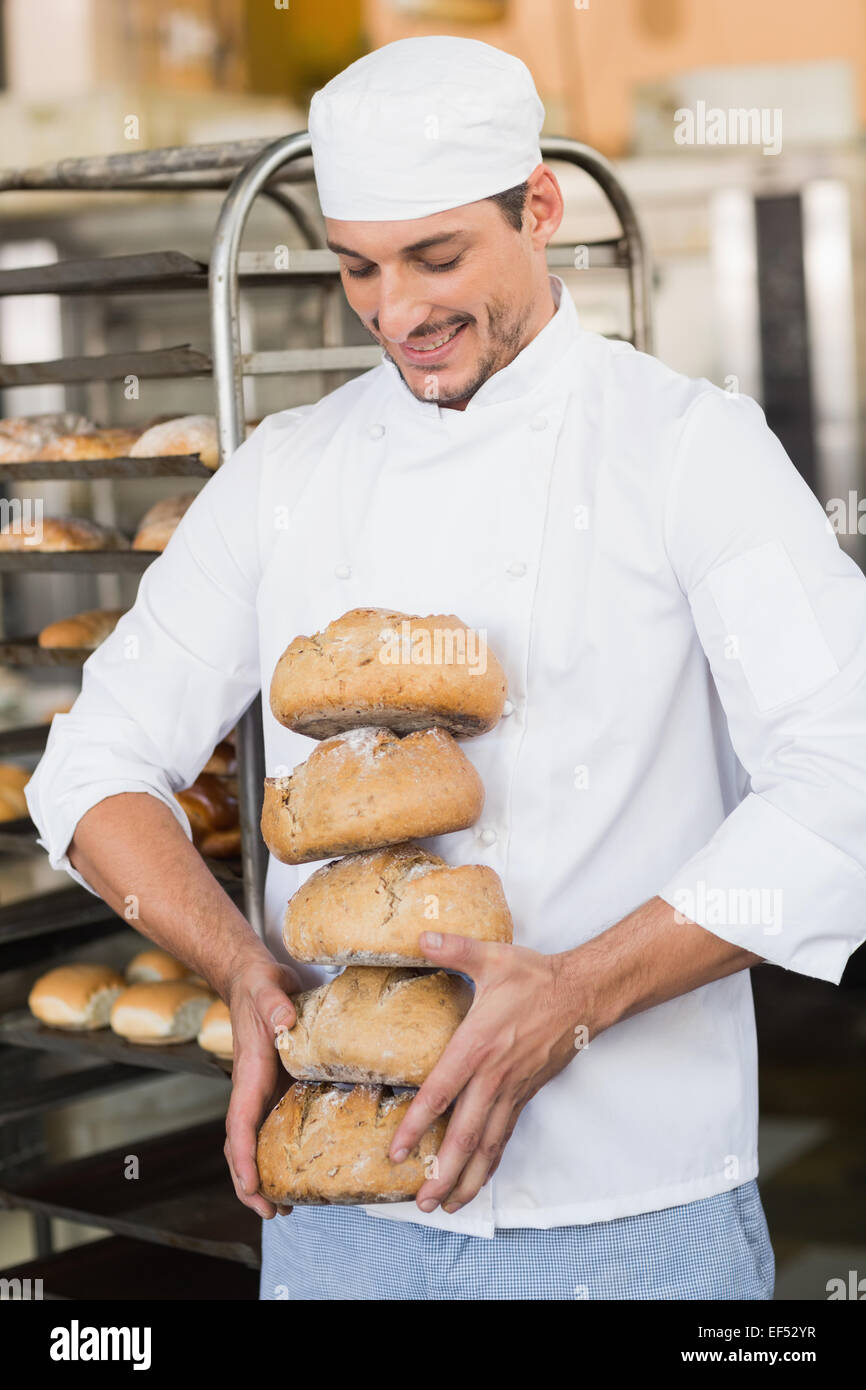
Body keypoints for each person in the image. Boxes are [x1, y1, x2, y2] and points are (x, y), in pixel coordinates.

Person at [26, 36, 866, 1301]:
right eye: (358, 266)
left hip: (629, 1211)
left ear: (539, 210)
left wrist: (578, 990)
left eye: (436, 257)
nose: (395, 312)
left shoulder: (687, 449)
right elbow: (93, 768)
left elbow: (842, 780)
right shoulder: (285, 473)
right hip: (339, 1217)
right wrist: (242, 973)